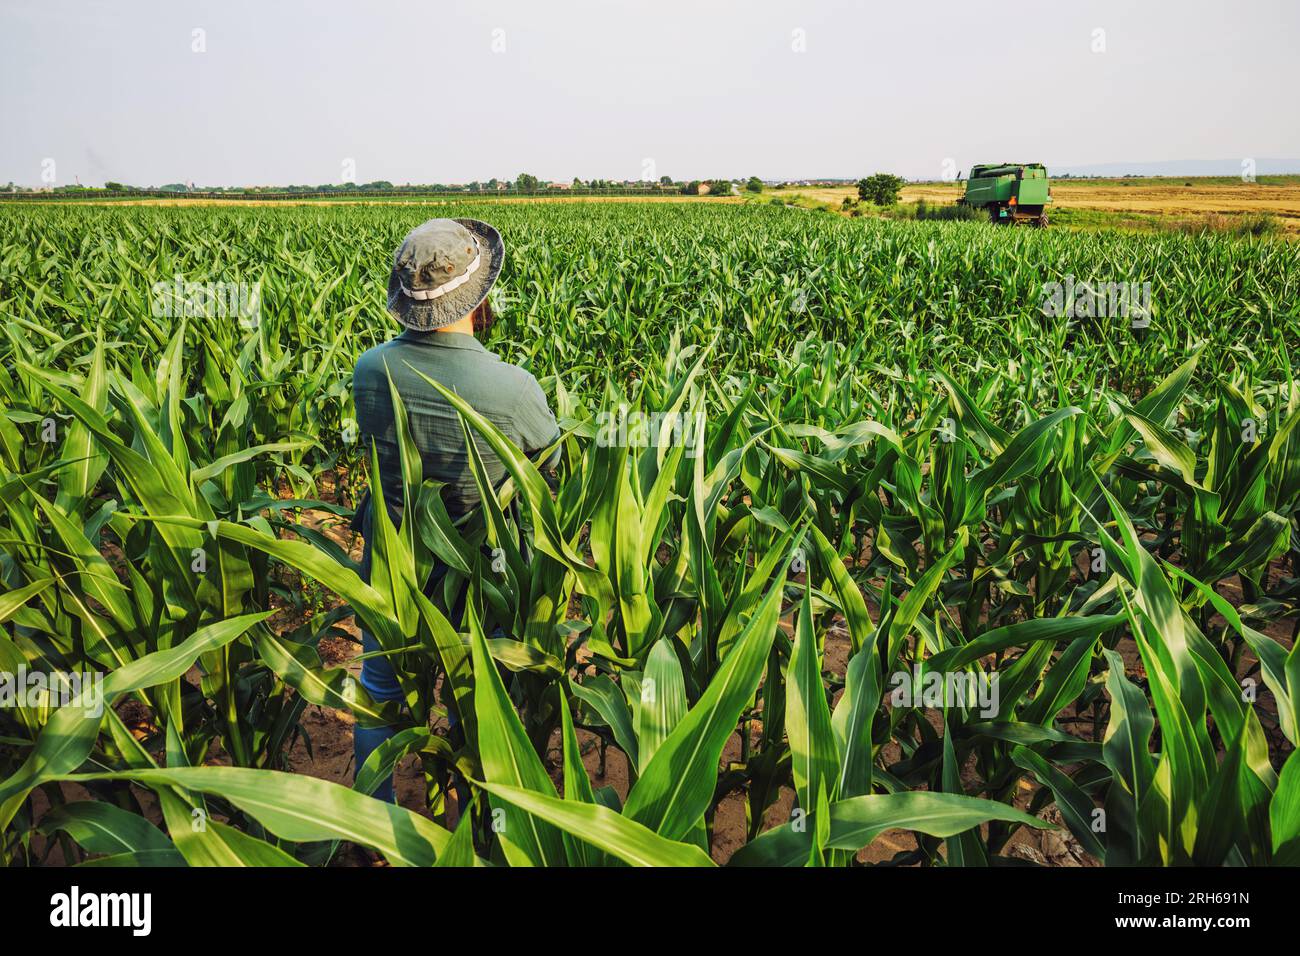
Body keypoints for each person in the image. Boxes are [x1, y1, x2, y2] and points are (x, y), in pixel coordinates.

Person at [350, 218, 559, 803]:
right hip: (483, 579)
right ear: (479, 295)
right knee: (481, 700)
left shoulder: (369, 371)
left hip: (392, 567)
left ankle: (375, 820)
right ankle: (478, 816)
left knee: (379, 690)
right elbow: (551, 472)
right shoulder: (514, 389)